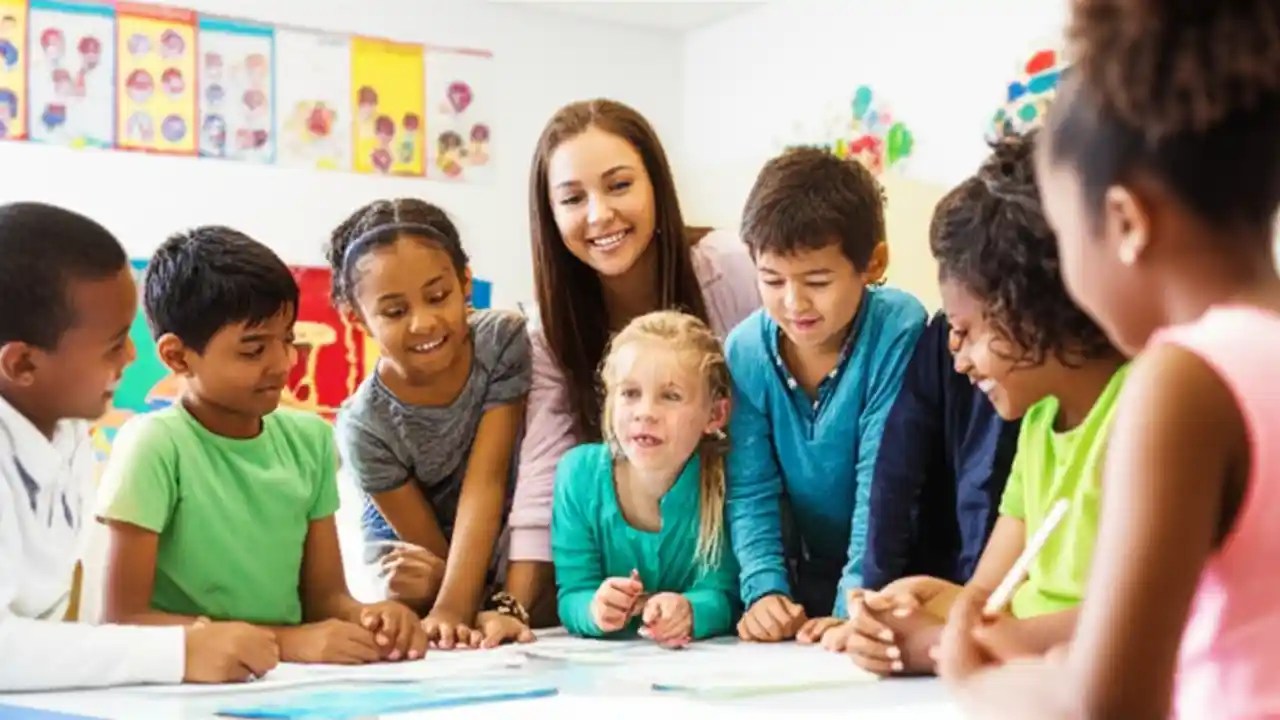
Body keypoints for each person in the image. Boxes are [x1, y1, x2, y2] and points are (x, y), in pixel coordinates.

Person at [937, 2, 1280, 718]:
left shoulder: (1185, 378)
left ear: (1125, 222)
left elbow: (1110, 703)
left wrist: (976, 680)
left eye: (1065, 234)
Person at [828, 131, 1128, 675]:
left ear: (1028, 311)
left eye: (965, 330)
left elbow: (1131, 621)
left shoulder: (1141, 412)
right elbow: (990, 591)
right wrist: (934, 603)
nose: (957, 359)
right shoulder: (1039, 421)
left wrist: (942, 646)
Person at [97, 226, 425, 664]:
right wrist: (288, 643)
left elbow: (325, 599)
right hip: (192, 687)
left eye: (287, 339)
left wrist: (371, 616)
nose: (283, 363)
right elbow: (123, 620)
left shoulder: (309, 440)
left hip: (283, 682)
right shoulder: (155, 445)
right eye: (253, 350)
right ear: (177, 357)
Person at [0, 202, 278, 691]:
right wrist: (176, 651)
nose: (131, 356)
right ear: (22, 365)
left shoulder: (63, 434)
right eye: (113, 345)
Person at [509, 98, 759, 624]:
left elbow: (770, 411)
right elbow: (542, 471)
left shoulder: (732, 270)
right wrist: (511, 606)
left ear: (656, 187)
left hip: (748, 544)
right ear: (549, 216)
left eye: (619, 185)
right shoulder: (551, 327)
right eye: (573, 198)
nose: (599, 214)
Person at [725, 146, 927, 642]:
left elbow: (881, 480)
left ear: (873, 263)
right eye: (771, 280)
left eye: (817, 280)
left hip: (896, 574)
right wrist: (764, 590)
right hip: (809, 578)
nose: (793, 303)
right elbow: (750, 488)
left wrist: (854, 601)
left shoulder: (897, 327)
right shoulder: (746, 349)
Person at [325, 198, 534, 648]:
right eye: (395, 312)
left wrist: (455, 607)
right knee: (408, 583)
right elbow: (422, 547)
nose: (423, 323)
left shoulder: (502, 341)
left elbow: (488, 479)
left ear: (465, 283)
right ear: (355, 318)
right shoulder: (364, 425)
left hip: (493, 544)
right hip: (424, 559)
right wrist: (445, 600)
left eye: (438, 297)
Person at [552, 311, 738, 645]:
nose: (645, 412)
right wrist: (595, 609)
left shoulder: (723, 481)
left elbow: (723, 594)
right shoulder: (577, 475)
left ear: (715, 414)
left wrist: (690, 610)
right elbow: (572, 593)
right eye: (630, 393)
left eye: (671, 396)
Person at [861, 310, 1020, 592]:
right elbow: (896, 473)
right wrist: (873, 600)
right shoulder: (1040, 427)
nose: (958, 362)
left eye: (963, 332)